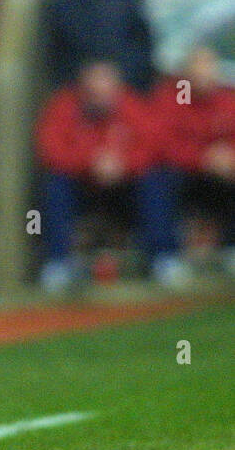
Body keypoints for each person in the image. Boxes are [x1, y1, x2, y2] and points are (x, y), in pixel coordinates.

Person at [35, 60, 182, 292]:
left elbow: (154, 145)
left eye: (106, 89)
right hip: (82, 184)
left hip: (125, 184)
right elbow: (51, 150)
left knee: (156, 181)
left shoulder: (132, 105)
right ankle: (57, 263)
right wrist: (90, 162)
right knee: (53, 187)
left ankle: (163, 257)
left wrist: (123, 163)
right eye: (93, 91)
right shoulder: (63, 106)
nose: (100, 96)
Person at [152, 45, 235, 275]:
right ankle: (165, 257)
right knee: (157, 181)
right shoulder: (178, 93)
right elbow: (165, 141)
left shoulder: (226, 96)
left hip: (222, 173)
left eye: (208, 66)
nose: (203, 73)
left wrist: (228, 158)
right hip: (184, 173)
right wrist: (203, 158)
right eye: (198, 66)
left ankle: (231, 248)